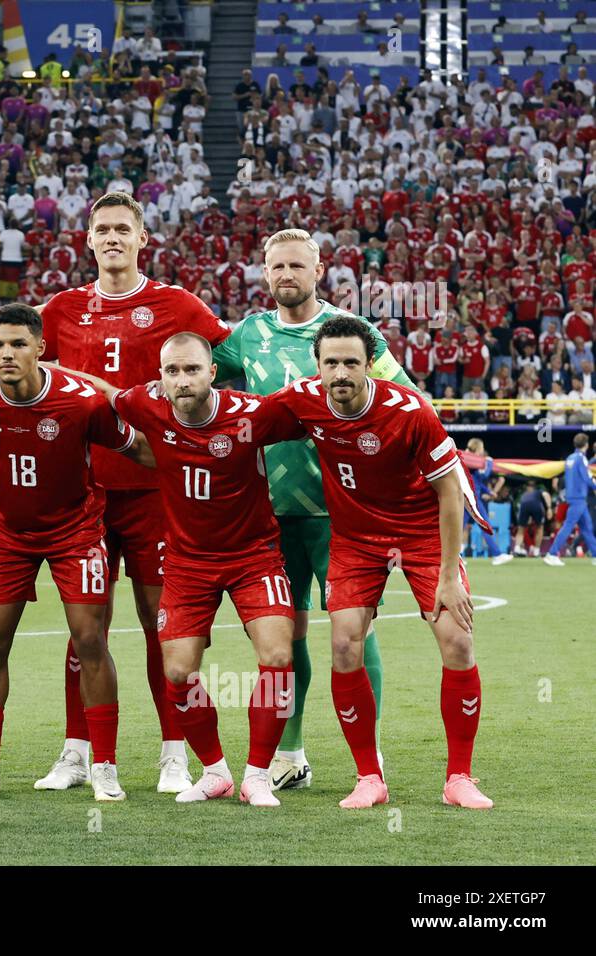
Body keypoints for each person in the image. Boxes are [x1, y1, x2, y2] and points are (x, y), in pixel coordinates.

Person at [38, 191, 231, 794]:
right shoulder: (61, 310)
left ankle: (174, 752)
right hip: (84, 491)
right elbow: (10, 357)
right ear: (88, 240)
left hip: (155, 489)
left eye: (125, 228)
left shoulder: (177, 304)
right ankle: (79, 751)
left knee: (162, 625)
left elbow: (233, 360)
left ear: (144, 238)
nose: (113, 238)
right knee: (84, 626)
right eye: (103, 230)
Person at [211, 228, 414, 790]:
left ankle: (369, 762)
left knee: (354, 632)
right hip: (269, 512)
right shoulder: (248, 335)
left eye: (297, 266)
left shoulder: (351, 334)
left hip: (343, 512)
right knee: (286, 634)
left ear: (318, 270)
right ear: (263, 271)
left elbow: (408, 401)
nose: (285, 276)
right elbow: (198, 377)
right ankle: (289, 754)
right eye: (276, 267)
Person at [272, 315, 494, 810]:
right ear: (318, 366)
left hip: (422, 532)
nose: (341, 373)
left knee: (457, 639)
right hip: (354, 538)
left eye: (352, 362)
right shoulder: (303, 400)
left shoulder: (410, 410)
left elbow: (450, 492)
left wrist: (449, 577)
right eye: (331, 363)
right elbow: (245, 422)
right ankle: (369, 777)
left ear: (371, 365)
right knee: (345, 645)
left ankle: (459, 777)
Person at [77, 332, 306, 807]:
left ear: (212, 373)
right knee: (179, 672)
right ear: (160, 377)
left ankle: (258, 775)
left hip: (254, 556)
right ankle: (216, 771)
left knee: (278, 657)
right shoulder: (147, 404)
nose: (181, 381)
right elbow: (100, 391)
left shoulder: (252, 415)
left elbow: (314, 414)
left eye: (191, 370)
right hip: (186, 562)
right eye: (172, 372)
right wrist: (46, 373)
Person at [0, 304, 151, 803]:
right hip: (7, 536)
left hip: (75, 533)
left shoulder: (80, 403)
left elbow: (136, 449)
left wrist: (196, 456)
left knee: (89, 640)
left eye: (18, 344)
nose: (6, 354)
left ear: (41, 348)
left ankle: (103, 766)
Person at [543, 433, 596, 566]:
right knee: (568, 526)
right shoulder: (581, 458)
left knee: (587, 527)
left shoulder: (570, 458)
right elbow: (586, 477)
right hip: (579, 497)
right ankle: (552, 554)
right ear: (586, 445)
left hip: (573, 496)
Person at [458, 438, 512, 565]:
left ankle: (456, 557)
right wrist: (489, 464)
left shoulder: (467, 458)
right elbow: (483, 476)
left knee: (461, 527)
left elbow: (477, 481)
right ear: (477, 449)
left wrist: (489, 492)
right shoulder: (469, 459)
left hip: (467, 496)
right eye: (481, 450)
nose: (482, 453)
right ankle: (497, 554)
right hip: (471, 498)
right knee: (484, 525)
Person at [514, 479, 551, 557]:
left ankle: (516, 548)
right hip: (535, 504)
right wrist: (549, 508)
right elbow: (546, 495)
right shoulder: (539, 491)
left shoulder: (524, 494)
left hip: (524, 504)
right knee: (540, 527)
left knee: (521, 529)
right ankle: (536, 551)